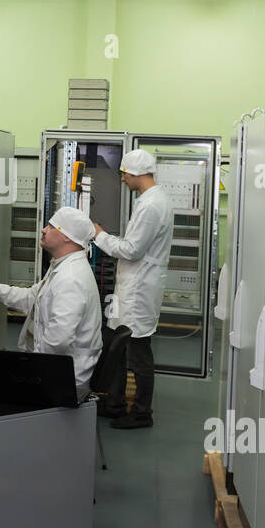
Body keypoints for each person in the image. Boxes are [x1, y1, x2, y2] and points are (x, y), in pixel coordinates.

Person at [0, 207, 102, 398]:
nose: (44, 229)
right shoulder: (61, 266)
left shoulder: (71, 278)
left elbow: (57, 341)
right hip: (52, 367)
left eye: (51, 226)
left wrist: (27, 370)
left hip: (65, 379)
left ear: (67, 236)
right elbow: (30, 298)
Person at [92, 149, 171, 429]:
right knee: (120, 345)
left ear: (136, 173)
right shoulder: (150, 200)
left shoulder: (151, 205)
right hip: (135, 285)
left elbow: (132, 250)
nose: (123, 178)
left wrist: (98, 234)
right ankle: (113, 403)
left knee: (138, 352)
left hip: (139, 289)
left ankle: (141, 412)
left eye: (125, 173)